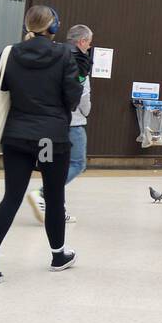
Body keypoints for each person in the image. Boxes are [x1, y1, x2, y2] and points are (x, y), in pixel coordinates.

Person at [0, 6, 81, 282]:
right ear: (53, 27)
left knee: (12, 196)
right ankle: (58, 255)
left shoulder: (10, 52)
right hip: (49, 139)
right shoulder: (63, 55)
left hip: (17, 135)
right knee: (55, 197)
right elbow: (72, 98)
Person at [51, 24, 94, 224]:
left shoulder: (56, 54)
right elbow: (83, 93)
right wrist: (85, 111)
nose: (89, 46)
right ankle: (44, 193)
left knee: (58, 165)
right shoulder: (80, 60)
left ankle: (56, 209)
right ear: (82, 41)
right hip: (74, 121)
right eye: (89, 42)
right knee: (78, 163)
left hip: (53, 120)